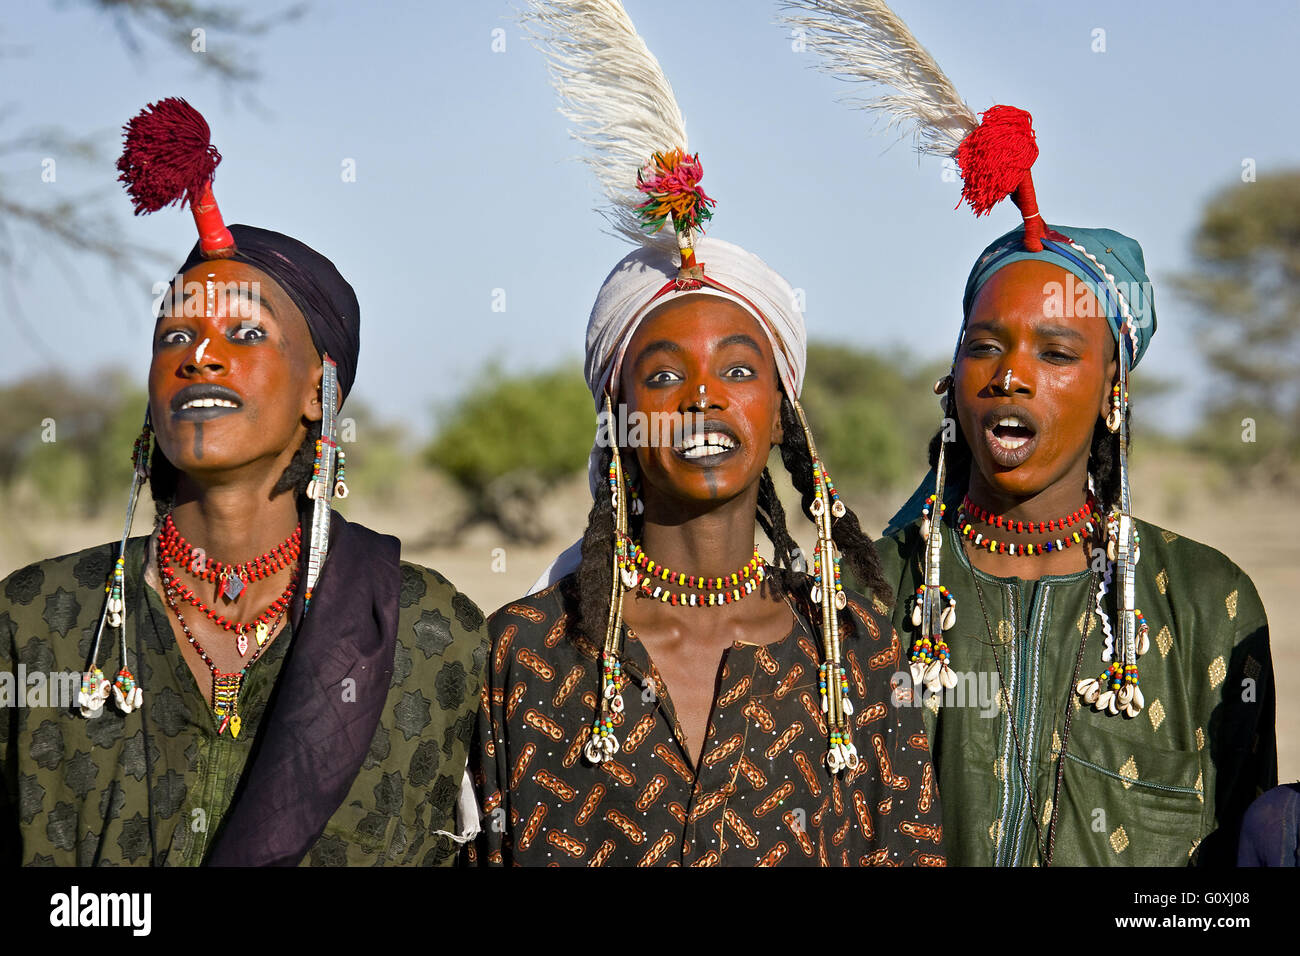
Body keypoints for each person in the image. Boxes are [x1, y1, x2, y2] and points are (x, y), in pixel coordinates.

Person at [788, 0, 1276, 865]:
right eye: (985, 346)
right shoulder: (860, 594)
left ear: (1111, 391)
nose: (1010, 374)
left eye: (1056, 352)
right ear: (951, 380)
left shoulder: (1208, 606)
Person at [465, 0, 944, 868]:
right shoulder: (527, 652)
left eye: (737, 369)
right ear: (618, 418)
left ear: (781, 415)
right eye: (661, 375)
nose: (701, 399)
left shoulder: (856, 651)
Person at [0, 98, 487, 866]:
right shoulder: (34, 626)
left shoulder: (428, 632)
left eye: (248, 333)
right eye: (176, 334)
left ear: (318, 391)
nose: (200, 355)